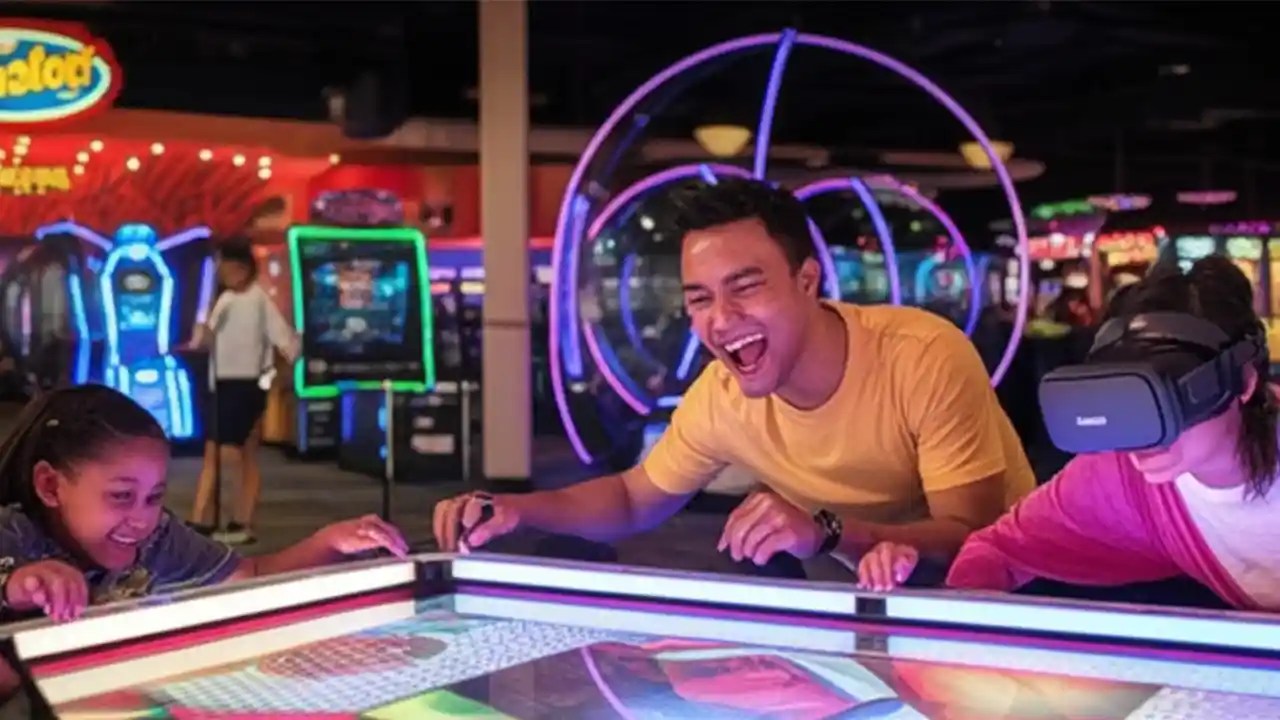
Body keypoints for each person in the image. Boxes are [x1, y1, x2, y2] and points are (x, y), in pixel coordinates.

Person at [433, 178, 1035, 583]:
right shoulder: (721, 397)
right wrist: (515, 507)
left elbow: (971, 542)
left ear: (806, 280)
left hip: (1010, 601)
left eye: (745, 287)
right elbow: (632, 498)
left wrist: (825, 533)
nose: (720, 321)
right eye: (700, 299)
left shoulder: (922, 354)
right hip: (867, 600)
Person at [866, 257, 1280, 609]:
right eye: (1128, 395)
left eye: (1169, 393)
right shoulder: (1123, 474)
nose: (1145, 432)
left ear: (1242, 381)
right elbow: (999, 550)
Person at [0, 385, 407, 623]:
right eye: (121, 496)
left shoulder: (156, 539)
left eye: (154, 497)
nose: (142, 519)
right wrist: (18, 586)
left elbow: (249, 574)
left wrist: (330, 542)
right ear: (50, 485)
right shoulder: (12, 534)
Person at [185, 242, 299, 544]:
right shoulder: (225, 299)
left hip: (246, 384)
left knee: (233, 453)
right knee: (220, 452)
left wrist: (282, 372)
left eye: (227, 268)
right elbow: (207, 337)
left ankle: (238, 519)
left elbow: (283, 338)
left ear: (243, 268)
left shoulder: (257, 298)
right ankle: (204, 517)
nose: (223, 274)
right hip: (221, 382)